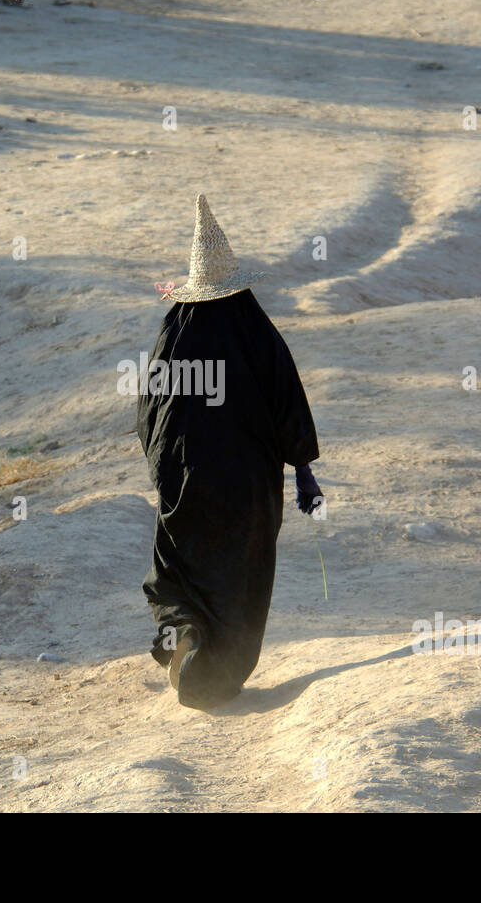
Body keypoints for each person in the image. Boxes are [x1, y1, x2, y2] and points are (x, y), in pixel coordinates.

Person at [137, 194, 323, 710]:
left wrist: (165, 471)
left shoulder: (174, 331)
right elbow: (286, 398)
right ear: (235, 284)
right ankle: (216, 673)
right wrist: (303, 474)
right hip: (248, 485)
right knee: (240, 578)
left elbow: (150, 410)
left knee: (175, 570)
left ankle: (183, 632)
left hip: (186, 480)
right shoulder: (254, 329)